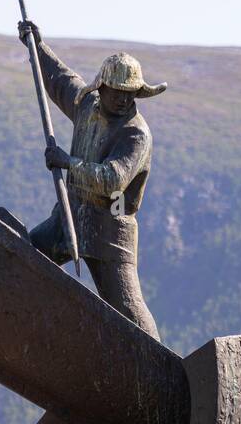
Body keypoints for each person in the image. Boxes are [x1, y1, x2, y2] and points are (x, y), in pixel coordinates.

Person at [17, 20, 166, 340]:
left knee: (128, 311)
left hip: (109, 232)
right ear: (102, 88)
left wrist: (68, 163)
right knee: (26, 257)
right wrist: (36, 47)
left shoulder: (136, 134)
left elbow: (113, 179)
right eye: (118, 92)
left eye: (131, 93)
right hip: (69, 215)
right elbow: (59, 81)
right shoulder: (88, 107)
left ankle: (158, 369)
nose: (125, 100)